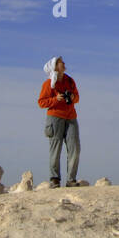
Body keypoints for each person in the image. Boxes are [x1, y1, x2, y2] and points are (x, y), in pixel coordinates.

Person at [38, 56, 81, 188]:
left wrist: (72, 97)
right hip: (55, 117)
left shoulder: (70, 80)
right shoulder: (48, 84)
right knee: (55, 149)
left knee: (75, 147)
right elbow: (41, 102)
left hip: (71, 117)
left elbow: (77, 97)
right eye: (61, 62)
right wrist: (56, 99)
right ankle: (54, 179)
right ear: (55, 67)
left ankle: (71, 179)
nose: (63, 64)